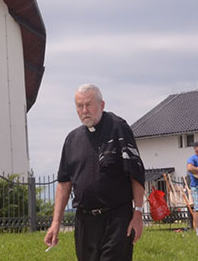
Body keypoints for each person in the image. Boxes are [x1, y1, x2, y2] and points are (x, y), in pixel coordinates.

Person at [44, 84, 147, 261]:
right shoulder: (72, 139)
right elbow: (63, 184)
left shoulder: (118, 128)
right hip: (85, 222)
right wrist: (55, 224)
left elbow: (136, 173)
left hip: (116, 218)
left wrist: (137, 214)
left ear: (102, 105)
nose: (84, 110)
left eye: (89, 104)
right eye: (79, 106)